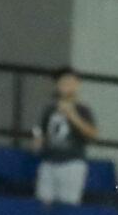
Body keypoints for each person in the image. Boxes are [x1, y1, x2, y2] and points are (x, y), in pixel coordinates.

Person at [31, 68, 98, 205]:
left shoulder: (82, 109)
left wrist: (72, 116)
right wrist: (38, 142)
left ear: (77, 85)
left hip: (72, 163)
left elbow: (92, 134)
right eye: (63, 83)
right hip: (49, 161)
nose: (66, 86)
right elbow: (41, 132)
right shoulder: (49, 109)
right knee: (43, 204)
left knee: (68, 205)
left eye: (70, 83)